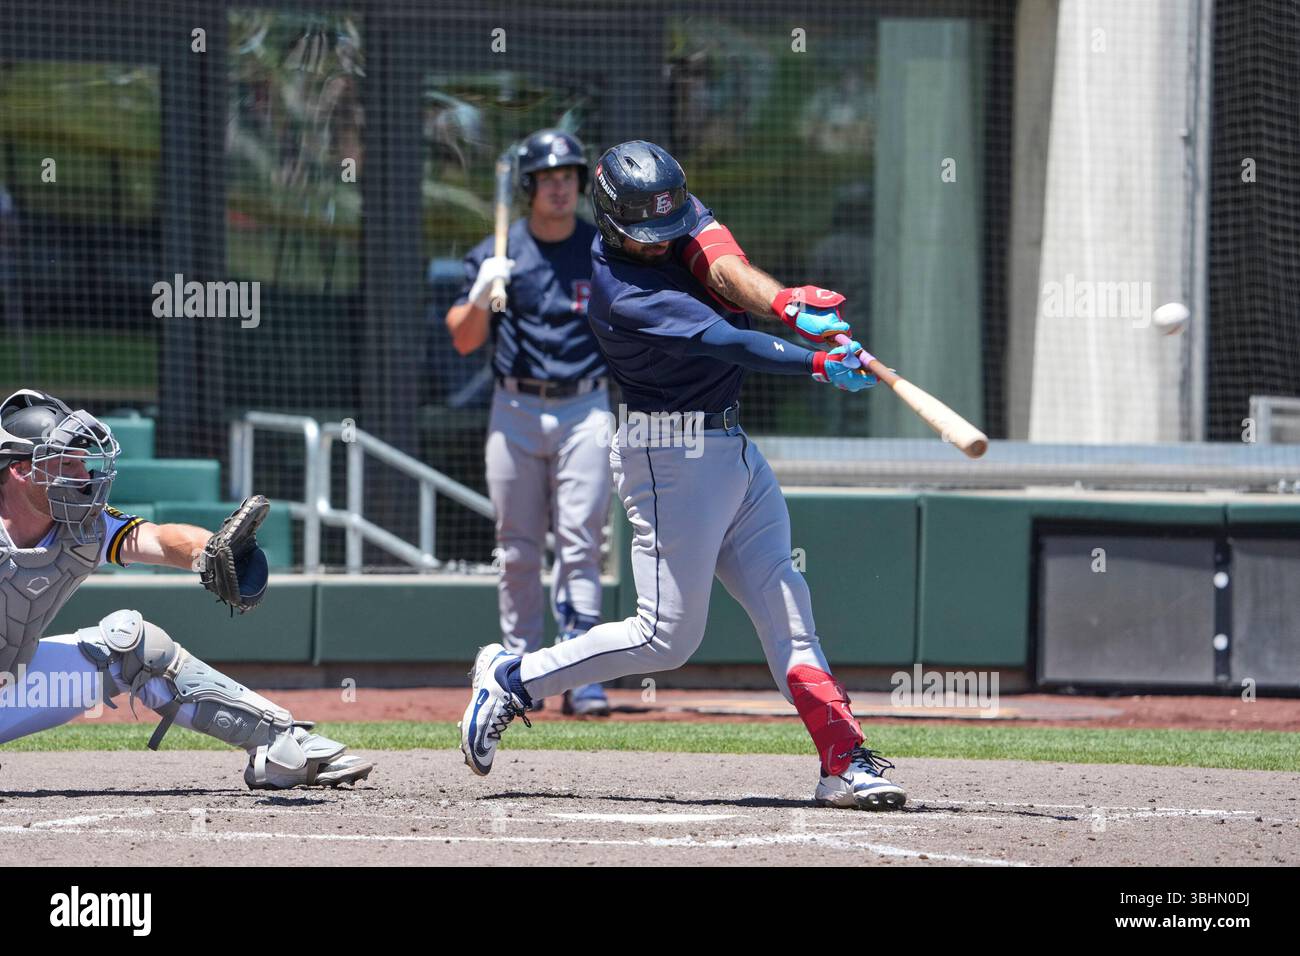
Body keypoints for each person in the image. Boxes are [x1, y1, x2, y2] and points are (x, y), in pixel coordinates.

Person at [458, 140, 906, 810]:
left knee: (789, 606)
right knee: (666, 638)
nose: (661, 241)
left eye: (669, 225)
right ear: (612, 221)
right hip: (667, 460)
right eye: (647, 234)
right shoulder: (622, 292)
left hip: (731, 449)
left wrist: (786, 302)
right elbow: (733, 341)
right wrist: (814, 362)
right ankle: (513, 677)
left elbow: (724, 265)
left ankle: (843, 761)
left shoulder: (669, 209)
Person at [0, 389, 373, 789]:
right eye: (68, 463)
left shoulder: (84, 525)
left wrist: (209, 554)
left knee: (132, 644)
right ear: (23, 470)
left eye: (82, 462)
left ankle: (282, 748)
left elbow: (158, 539)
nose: (84, 475)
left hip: (16, 689)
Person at [444, 129, 612, 716]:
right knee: (516, 546)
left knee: (581, 540)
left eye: (569, 177)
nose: (561, 187)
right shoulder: (503, 247)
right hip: (514, 406)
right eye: (549, 178)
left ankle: (583, 669)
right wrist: (482, 290)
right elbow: (463, 338)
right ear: (530, 186)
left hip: (586, 405)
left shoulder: (599, 248)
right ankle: (520, 667)